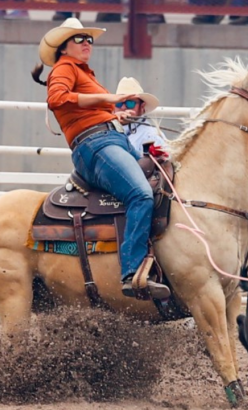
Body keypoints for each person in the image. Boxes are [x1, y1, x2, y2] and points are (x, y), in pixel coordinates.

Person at [31, 18, 170, 299]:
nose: (87, 44)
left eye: (89, 39)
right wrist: (106, 100)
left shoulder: (83, 72)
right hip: (96, 144)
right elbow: (57, 98)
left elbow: (83, 111)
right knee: (141, 194)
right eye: (79, 39)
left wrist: (112, 115)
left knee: (164, 180)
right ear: (63, 47)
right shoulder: (65, 67)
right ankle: (132, 274)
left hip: (108, 138)